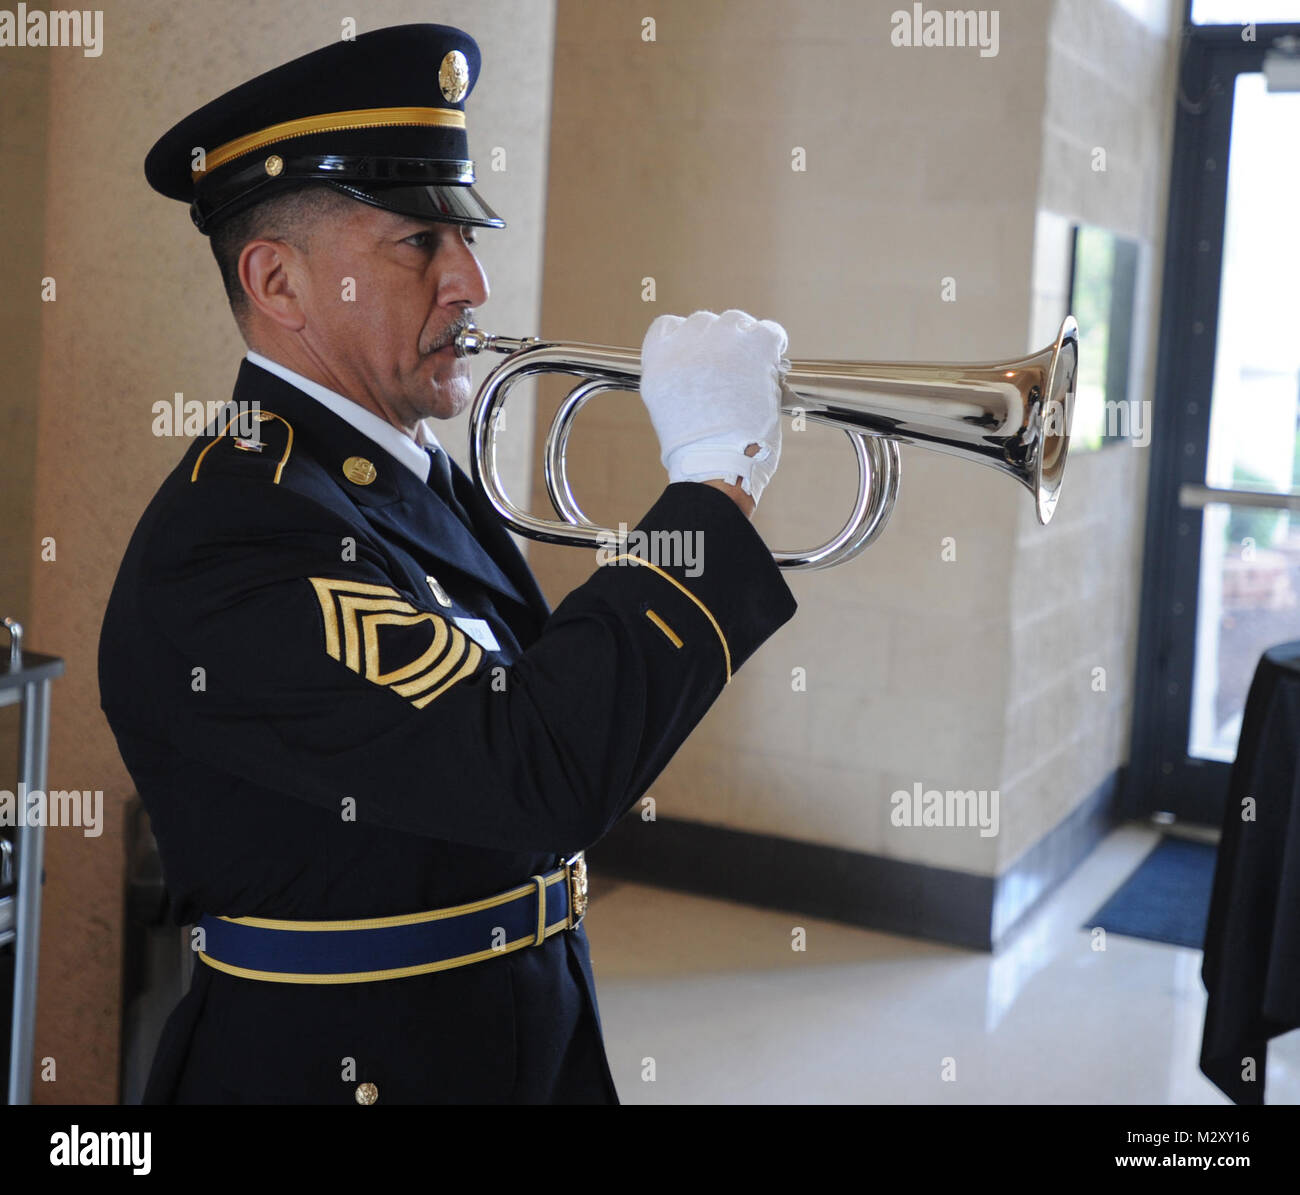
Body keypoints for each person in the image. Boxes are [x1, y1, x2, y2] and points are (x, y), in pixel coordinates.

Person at [99, 23, 796, 1105]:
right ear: (278, 282)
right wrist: (710, 488)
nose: (470, 279)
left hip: (514, 1029)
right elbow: (529, 765)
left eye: (465, 239)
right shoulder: (235, 533)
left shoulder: (399, 472)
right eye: (418, 244)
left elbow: (519, 702)